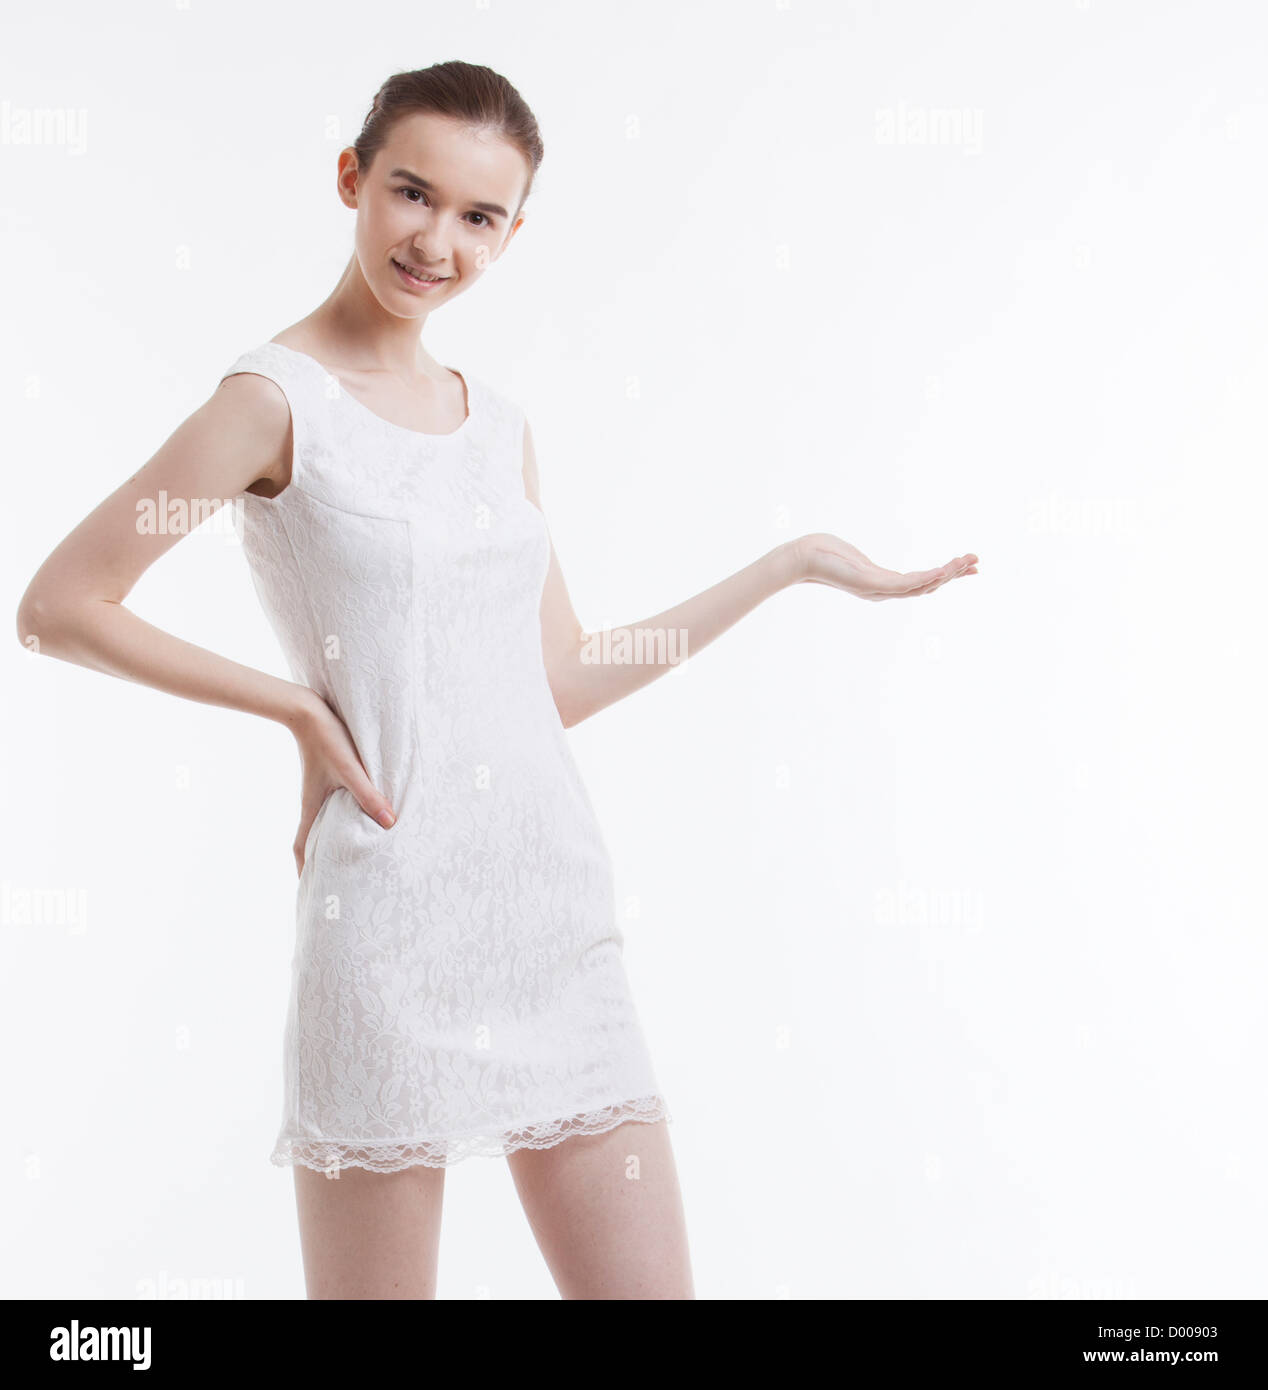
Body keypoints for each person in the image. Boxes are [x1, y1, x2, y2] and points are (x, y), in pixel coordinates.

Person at [15, 60, 978, 1300]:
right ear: (352, 178)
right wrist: (297, 707)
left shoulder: (495, 426)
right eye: (412, 194)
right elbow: (59, 605)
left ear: (514, 233)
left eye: (479, 217)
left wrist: (785, 567)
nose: (437, 241)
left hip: (553, 913)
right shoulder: (270, 403)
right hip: (389, 920)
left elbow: (560, 680)